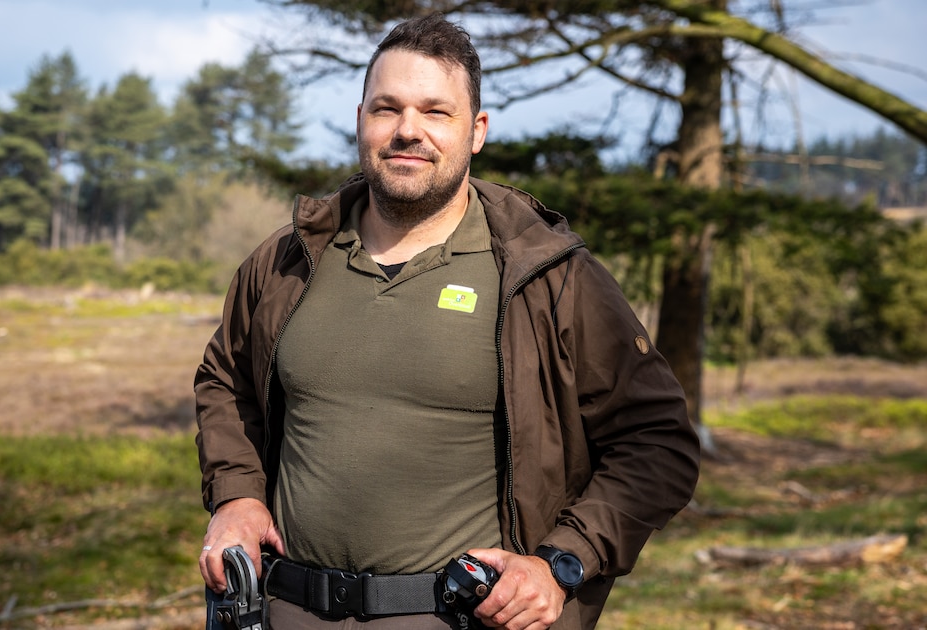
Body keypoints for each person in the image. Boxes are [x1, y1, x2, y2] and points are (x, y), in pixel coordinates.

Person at [195, 13, 700, 630]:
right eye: (387, 108)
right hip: (283, 612)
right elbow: (225, 382)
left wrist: (562, 562)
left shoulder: (546, 275)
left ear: (476, 131)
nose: (409, 131)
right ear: (361, 120)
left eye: (436, 112)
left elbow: (659, 442)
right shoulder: (287, 261)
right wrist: (237, 495)